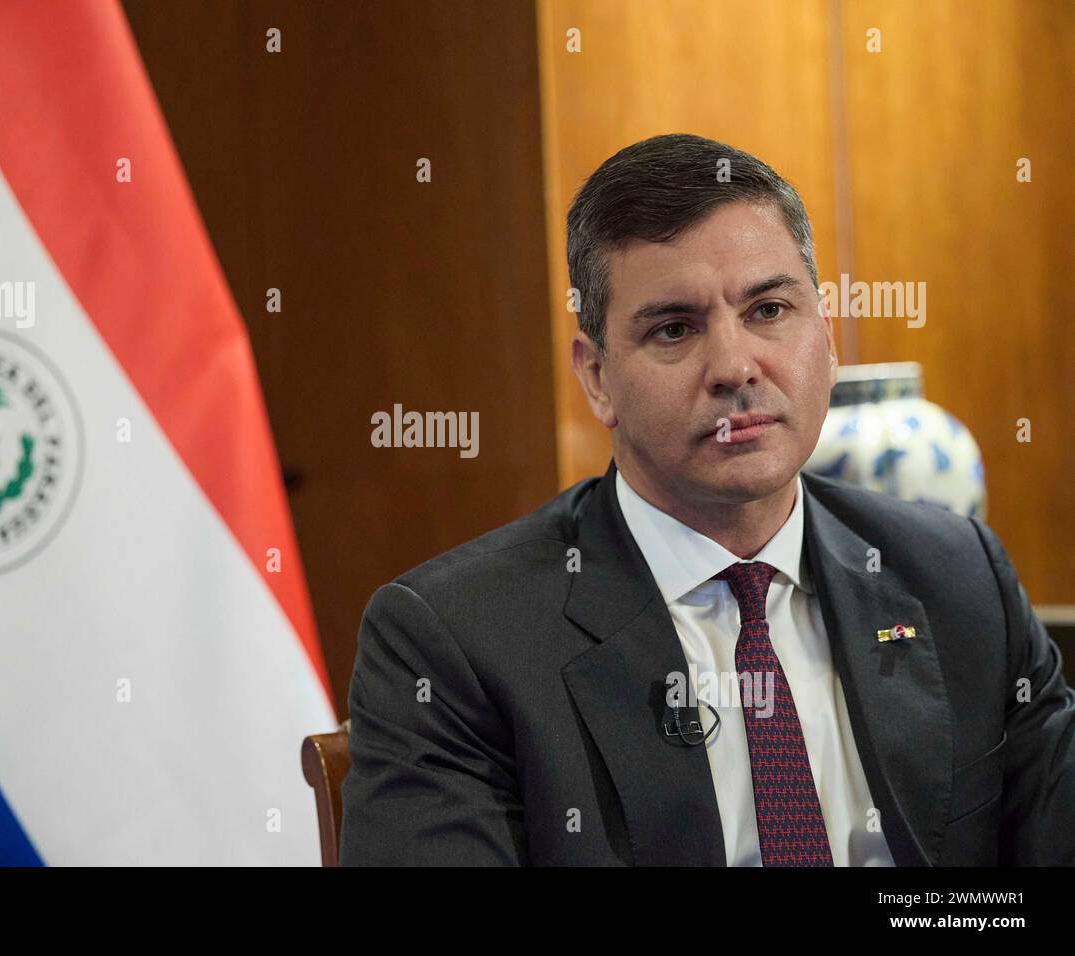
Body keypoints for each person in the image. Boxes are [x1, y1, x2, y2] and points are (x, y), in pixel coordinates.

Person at [339, 133, 1074, 866]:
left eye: (769, 311)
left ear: (826, 332)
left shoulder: (956, 577)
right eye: (675, 329)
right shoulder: (456, 641)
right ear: (597, 377)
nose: (733, 366)